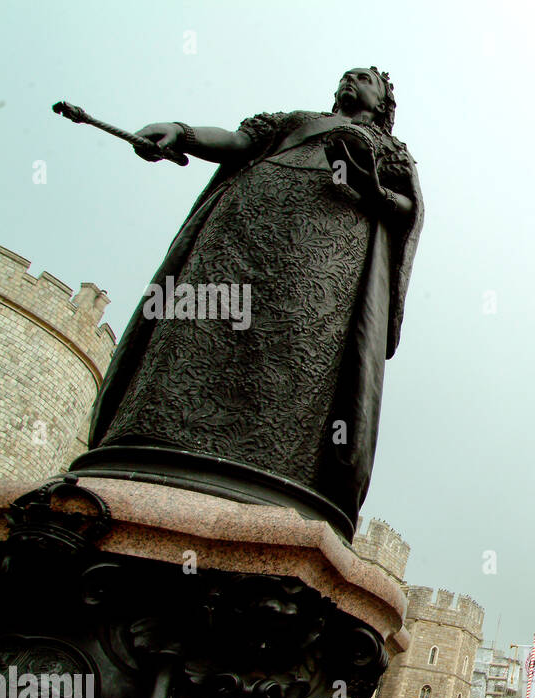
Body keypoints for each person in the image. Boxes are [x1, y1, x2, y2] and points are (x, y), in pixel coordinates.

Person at [87, 68, 424, 539]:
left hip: (324, 252)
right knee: (197, 328)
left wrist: (372, 190)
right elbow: (238, 142)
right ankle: (155, 441)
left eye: (366, 78)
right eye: (348, 75)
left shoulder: (389, 149)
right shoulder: (296, 121)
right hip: (242, 229)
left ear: (384, 100)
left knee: (294, 349)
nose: (353, 81)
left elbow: (407, 208)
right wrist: (182, 135)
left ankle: (277, 467)